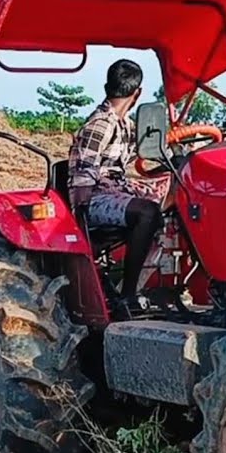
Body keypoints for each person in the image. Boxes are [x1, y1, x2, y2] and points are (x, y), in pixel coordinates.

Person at [68, 59, 165, 318]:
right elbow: (83, 176)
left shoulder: (126, 126)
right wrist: (81, 223)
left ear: (106, 87)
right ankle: (128, 295)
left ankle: (154, 284)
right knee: (147, 213)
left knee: (165, 204)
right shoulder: (100, 124)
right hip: (95, 199)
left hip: (115, 191)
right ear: (138, 93)